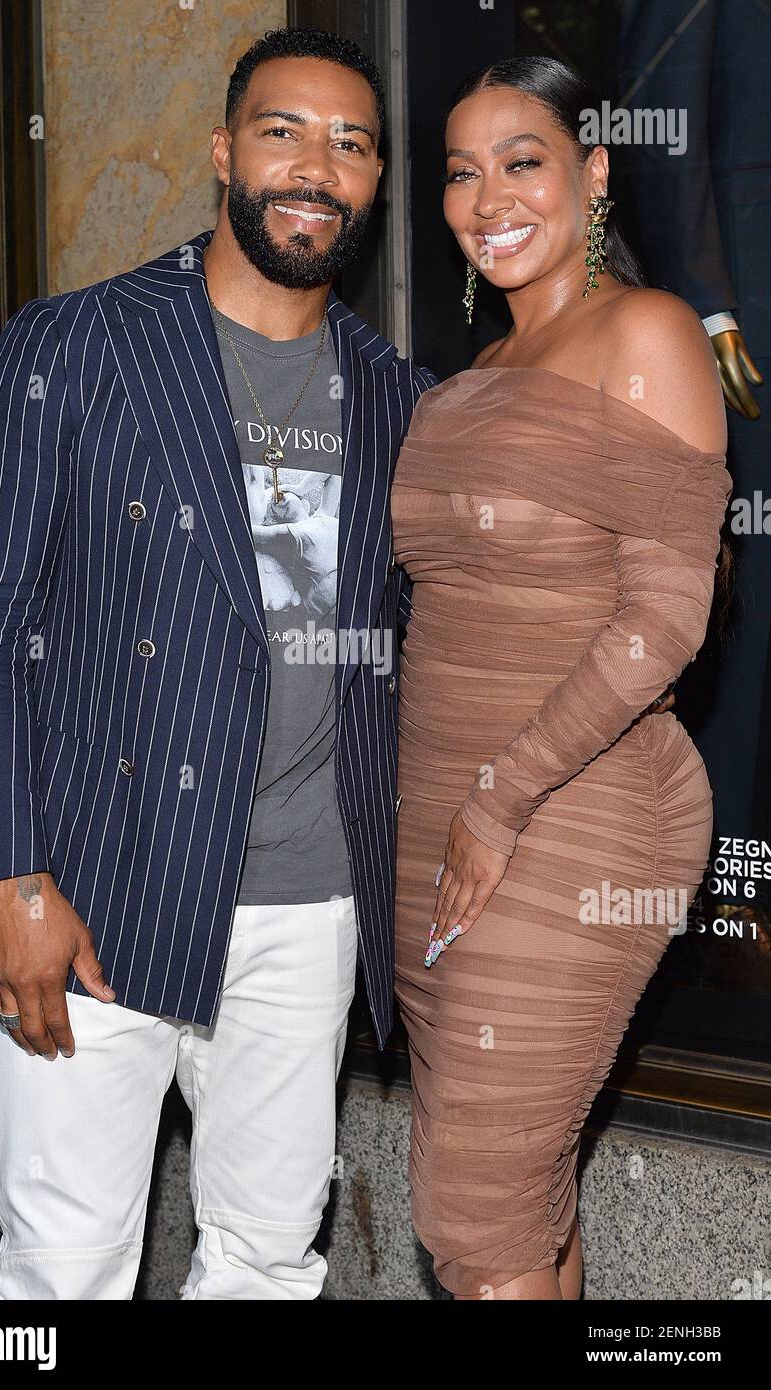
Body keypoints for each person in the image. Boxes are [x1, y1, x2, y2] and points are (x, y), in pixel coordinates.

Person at [0, 27, 436, 1300]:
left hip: (307, 911)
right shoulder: (74, 345)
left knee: (265, 1258)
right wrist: (11, 879)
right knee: (62, 1265)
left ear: (375, 180)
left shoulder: (395, 397)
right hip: (97, 892)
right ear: (221, 152)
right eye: (282, 132)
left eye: (350, 143)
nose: (315, 165)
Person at [391, 56, 732, 1300]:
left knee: (469, 1211)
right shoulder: (468, 377)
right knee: (513, 1193)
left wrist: (498, 800)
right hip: (434, 823)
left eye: (520, 161)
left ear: (591, 175)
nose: (487, 198)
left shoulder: (644, 333)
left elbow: (664, 620)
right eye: (460, 173)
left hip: (572, 813)